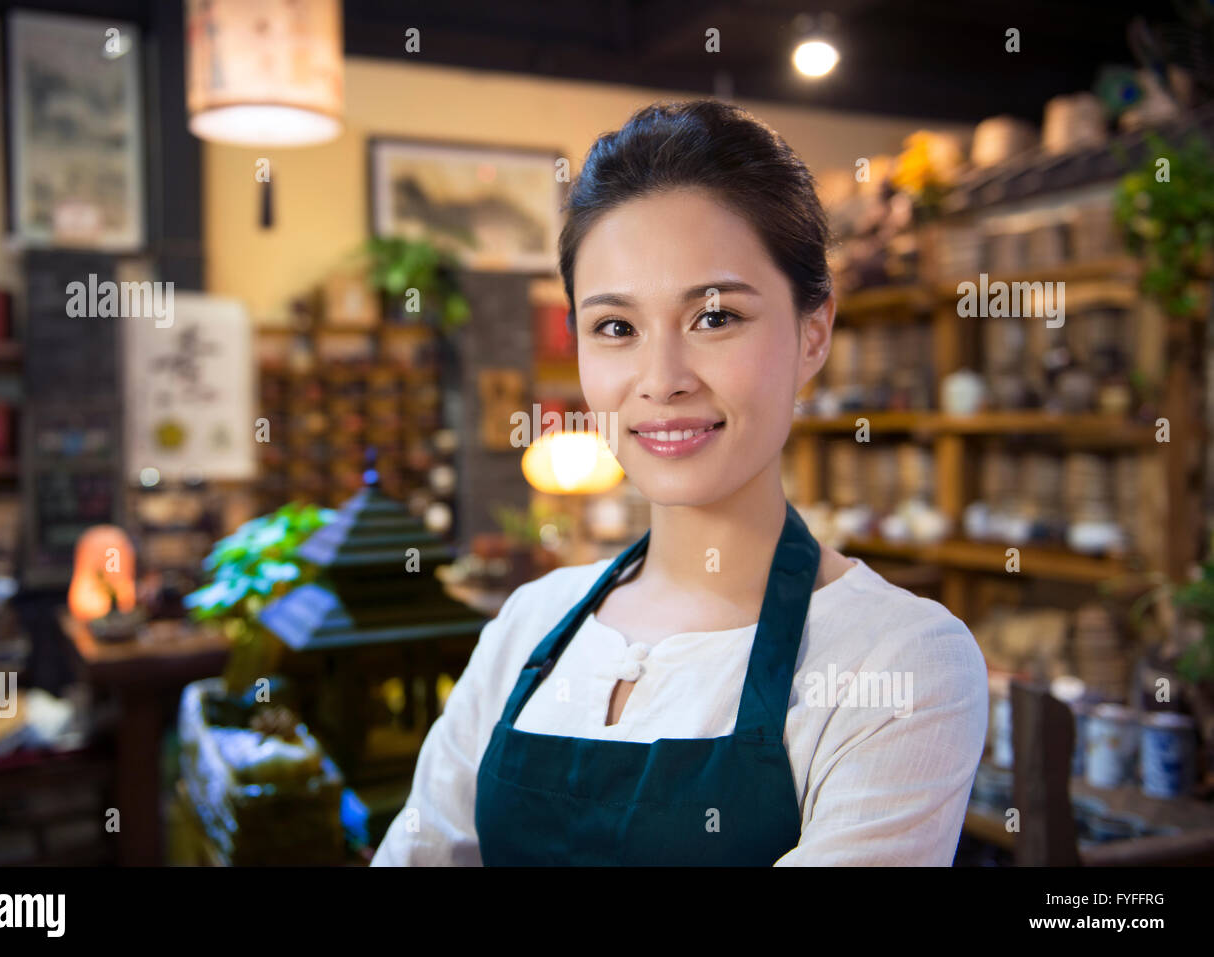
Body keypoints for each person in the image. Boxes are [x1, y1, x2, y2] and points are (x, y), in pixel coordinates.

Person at [371, 98, 988, 866]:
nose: (660, 381)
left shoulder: (898, 660)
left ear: (814, 331)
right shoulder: (529, 624)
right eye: (616, 328)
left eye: (715, 316)